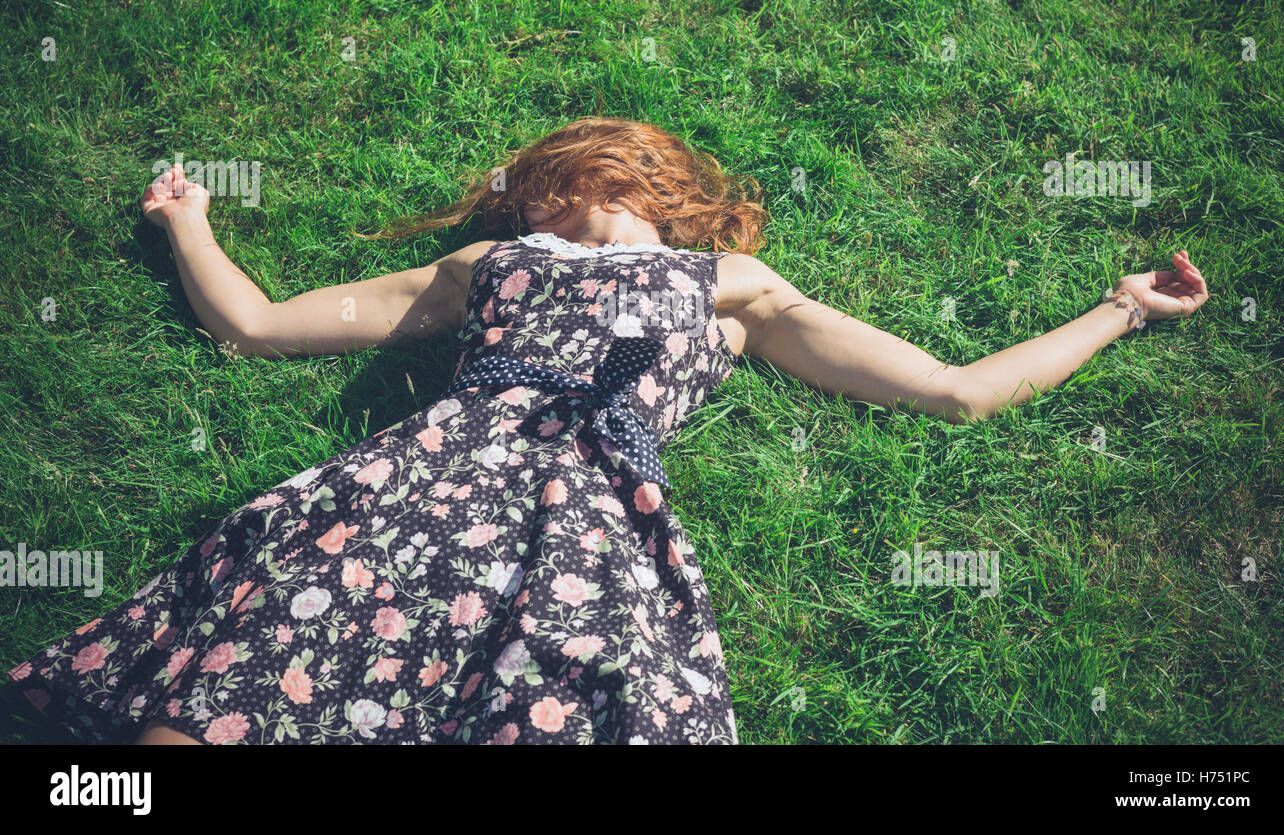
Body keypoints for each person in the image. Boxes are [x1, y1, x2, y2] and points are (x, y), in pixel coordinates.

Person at [6, 118, 1209, 745]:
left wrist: (1118, 308)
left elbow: (956, 389)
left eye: (551, 176)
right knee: (231, 698)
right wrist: (189, 225)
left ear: (630, 175)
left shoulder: (734, 283)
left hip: (582, 535)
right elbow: (261, 326)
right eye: (525, 188)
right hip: (410, 493)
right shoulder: (490, 264)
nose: (528, 196)